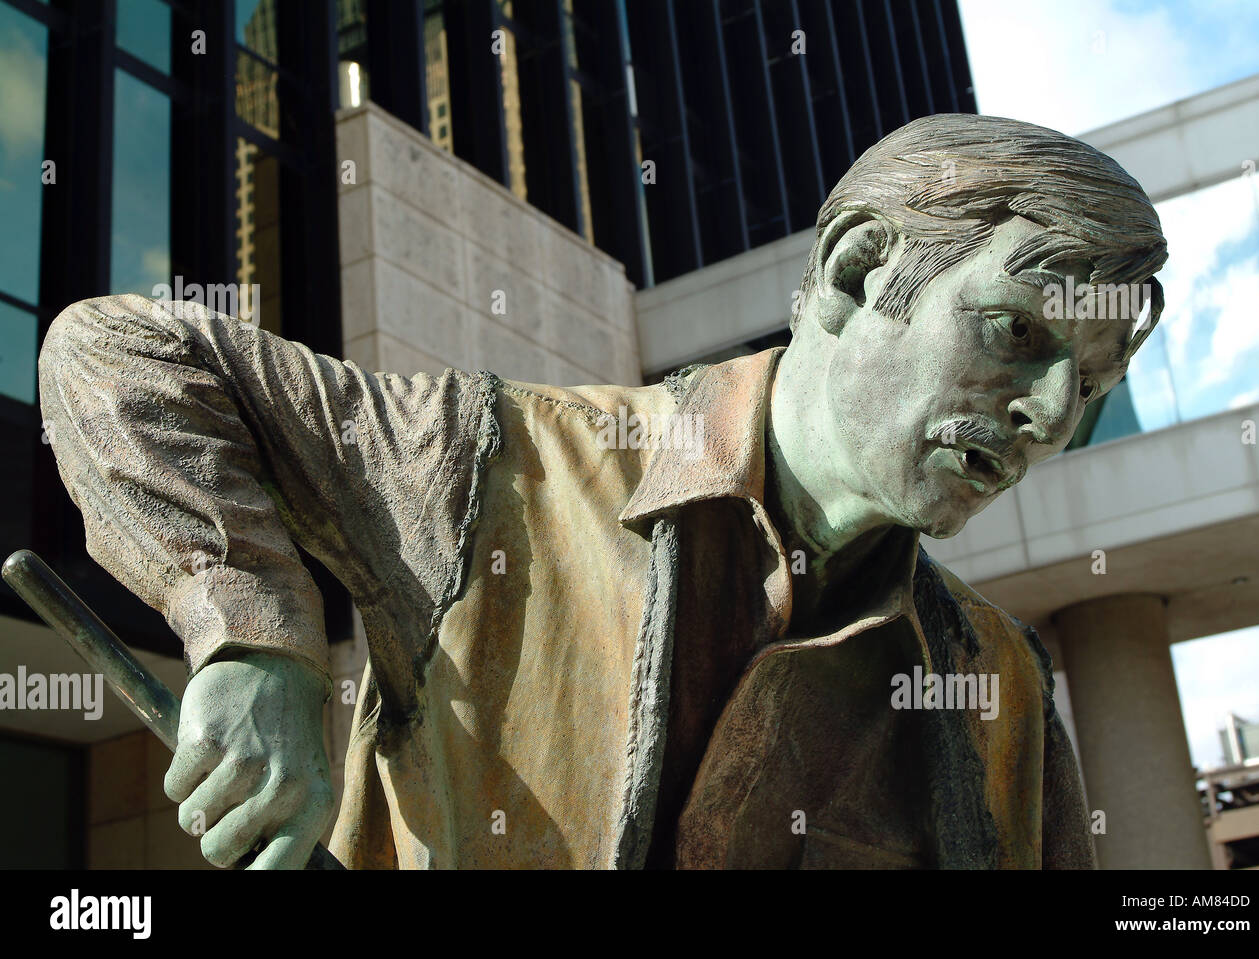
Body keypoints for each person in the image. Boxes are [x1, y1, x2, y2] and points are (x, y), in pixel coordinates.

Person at [38, 113, 1166, 869]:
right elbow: (121, 353)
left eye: (1094, 387)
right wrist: (251, 642)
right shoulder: (489, 464)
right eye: (1017, 334)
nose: (1049, 414)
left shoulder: (1001, 681)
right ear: (857, 271)